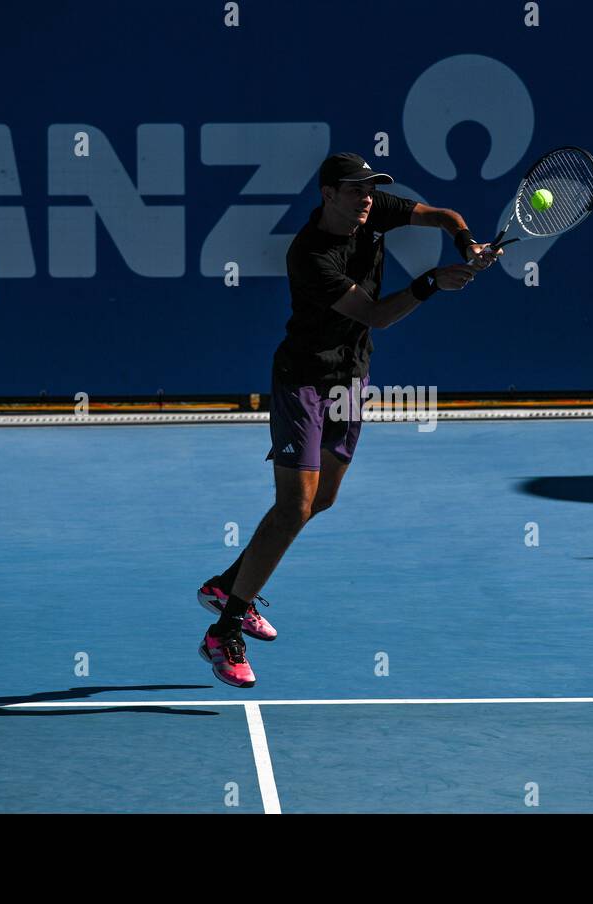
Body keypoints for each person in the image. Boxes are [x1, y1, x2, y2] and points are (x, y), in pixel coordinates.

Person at [197, 151, 501, 687]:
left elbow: (446, 216)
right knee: (294, 507)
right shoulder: (311, 255)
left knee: (324, 499)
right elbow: (379, 315)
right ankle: (223, 631)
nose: (367, 198)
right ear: (327, 194)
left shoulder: (373, 210)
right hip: (305, 381)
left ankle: (229, 583)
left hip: (351, 375)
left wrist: (466, 244)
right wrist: (432, 283)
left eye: (371, 190)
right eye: (356, 190)